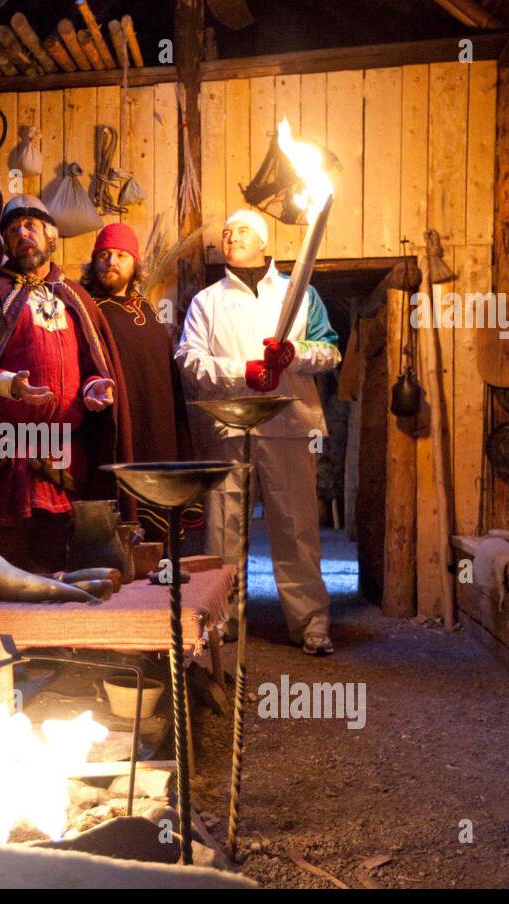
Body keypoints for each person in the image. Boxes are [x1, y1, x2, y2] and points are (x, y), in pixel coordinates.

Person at [0, 195, 132, 574]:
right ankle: (9, 630)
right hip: (11, 453)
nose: (23, 234)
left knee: (63, 561)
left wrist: (94, 389)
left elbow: (91, 365)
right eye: (13, 229)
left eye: (31, 226)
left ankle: (57, 631)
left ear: (51, 237)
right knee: (17, 563)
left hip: (68, 454)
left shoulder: (76, 298)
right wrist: (9, 385)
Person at [175, 208, 341, 655]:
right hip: (229, 427)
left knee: (296, 528)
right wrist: (241, 372)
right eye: (226, 233)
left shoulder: (300, 294)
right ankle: (222, 619)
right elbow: (188, 361)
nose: (231, 237)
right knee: (224, 530)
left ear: (264, 241)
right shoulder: (206, 302)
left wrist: (296, 353)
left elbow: (329, 351)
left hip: (289, 426)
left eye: (242, 230)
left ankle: (310, 623)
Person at [83, 222, 192, 540]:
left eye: (120, 255)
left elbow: (166, 383)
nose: (111, 262)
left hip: (154, 431)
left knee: (156, 534)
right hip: (109, 427)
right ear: (93, 263)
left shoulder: (147, 312)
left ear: (135, 264)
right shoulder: (86, 310)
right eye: (104, 255)